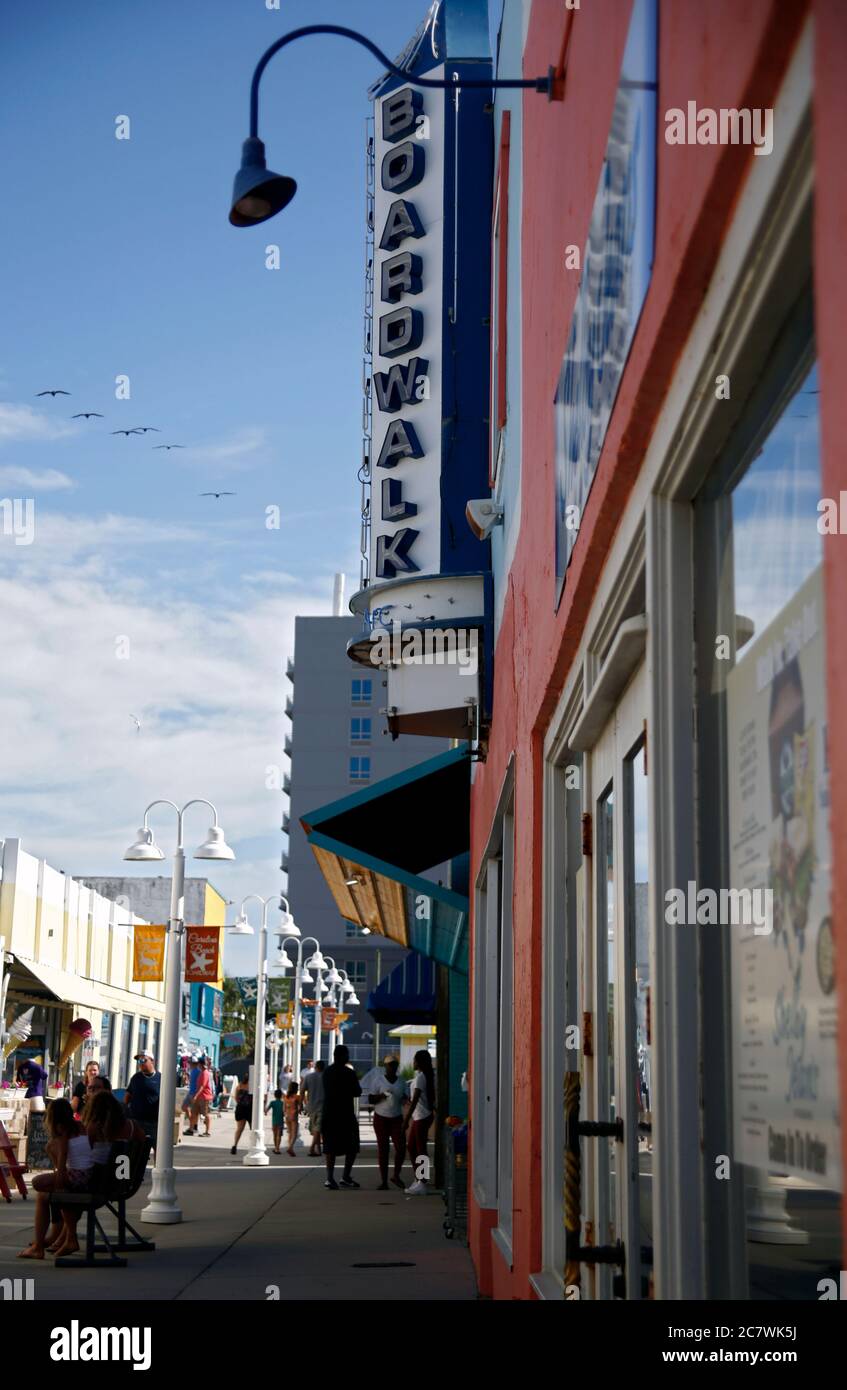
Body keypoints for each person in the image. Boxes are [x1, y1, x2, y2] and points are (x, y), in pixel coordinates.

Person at [47, 1091, 146, 1259]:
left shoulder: (94, 1128)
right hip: (124, 1180)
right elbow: (142, 1145)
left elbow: (87, 1157)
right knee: (71, 1188)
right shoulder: (132, 1126)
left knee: (65, 1188)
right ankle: (63, 1238)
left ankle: (66, 1238)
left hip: (102, 1184)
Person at [321, 1045, 361, 1190]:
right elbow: (357, 1091)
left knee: (330, 1147)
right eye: (347, 1054)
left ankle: (330, 1177)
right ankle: (346, 1176)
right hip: (345, 1114)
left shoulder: (327, 1072)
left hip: (329, 1113)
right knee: (352, 1146)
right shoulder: (349, 1073)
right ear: (344, 1056)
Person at [368, 1056, 408, 1191]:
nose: (393, 1067)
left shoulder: (402, 1082)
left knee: (402, 1148)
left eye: (395, 1064)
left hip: (397, 1118)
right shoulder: (378, 1080)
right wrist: (382, 1096)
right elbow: (371, 1099)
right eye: (390, 1065)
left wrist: (404, 1101)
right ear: (385, 1066)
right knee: (383, 1150)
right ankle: (384, 1181)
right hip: (381, 1118)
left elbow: (405, 1098)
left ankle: (400, 1175)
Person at [405, 1050, 436, 1195]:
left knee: (419, 1149)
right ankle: (419, 1178)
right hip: (422, 1116)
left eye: (414, 1060)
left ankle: (422, 1181)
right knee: (412, 1147)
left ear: (419, 1062)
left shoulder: (421, 1078)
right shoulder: (424, 1076)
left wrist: (406, 1120)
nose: (413, 1062)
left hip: (421, 1117)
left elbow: (415, 1100)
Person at [124, 1051, 160, 1149]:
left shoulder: (160, 1078)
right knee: (135, 1148)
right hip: (136, 1121)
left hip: (154, 1122)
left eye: (143, 1060)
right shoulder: (136, 1078)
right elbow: (128, 1096)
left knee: (158, 1148)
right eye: (139, 1061)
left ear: (152, 1061)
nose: (141, 1063)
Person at [301, 1059, 325, 1156]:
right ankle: (312, 1148)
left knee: (316, 1128)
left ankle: (317, 1150)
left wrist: (300, 1105)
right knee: (317, 1129)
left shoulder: (308, 1077)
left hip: (311, 1107)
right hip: (323, 1106)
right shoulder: (327, 1077)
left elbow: (302, 1091)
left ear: (316, 1067)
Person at [190, 1056, 214, 1137]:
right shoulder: (202, 1072)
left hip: (205, 1097)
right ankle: (192, 1129)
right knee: (194, 1112)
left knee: (206, 1114)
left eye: (198, 1064)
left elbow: (202, 1086)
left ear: (200, 1064)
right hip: (200, 1097)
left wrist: (195, 1096)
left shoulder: (205, 1073)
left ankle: (208, 1132)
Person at [231, 1075, 252, 1154]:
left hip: (240, 1108)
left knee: (239, 1129)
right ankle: (252, 1145)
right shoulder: (252, 1087)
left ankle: (235, 1145)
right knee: (253, 1129)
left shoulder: (239, 1086)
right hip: (250, 1109)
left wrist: (240, 1103)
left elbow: (236, 1097)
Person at [284, 1081, 301, 1156]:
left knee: (290, 1133)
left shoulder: (285, 1097)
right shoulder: (297, 1097)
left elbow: (283, 1108)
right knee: (295, 1133)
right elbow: (300, 1107)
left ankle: (290, 1148)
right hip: (294, 1116)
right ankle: (290, 1147)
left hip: (287, 1116)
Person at [266, 1088, 284, 1154]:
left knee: (274, 1135)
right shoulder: (283, 1103)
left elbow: (266, 1110)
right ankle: (277, 1148)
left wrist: (265, 1111)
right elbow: (284, 1112)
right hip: (280, 1121)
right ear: (281, 1095)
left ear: (274, 1095)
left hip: (274, 1121)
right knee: (279, 1135)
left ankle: (275, 1147)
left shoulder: (272, 1103)